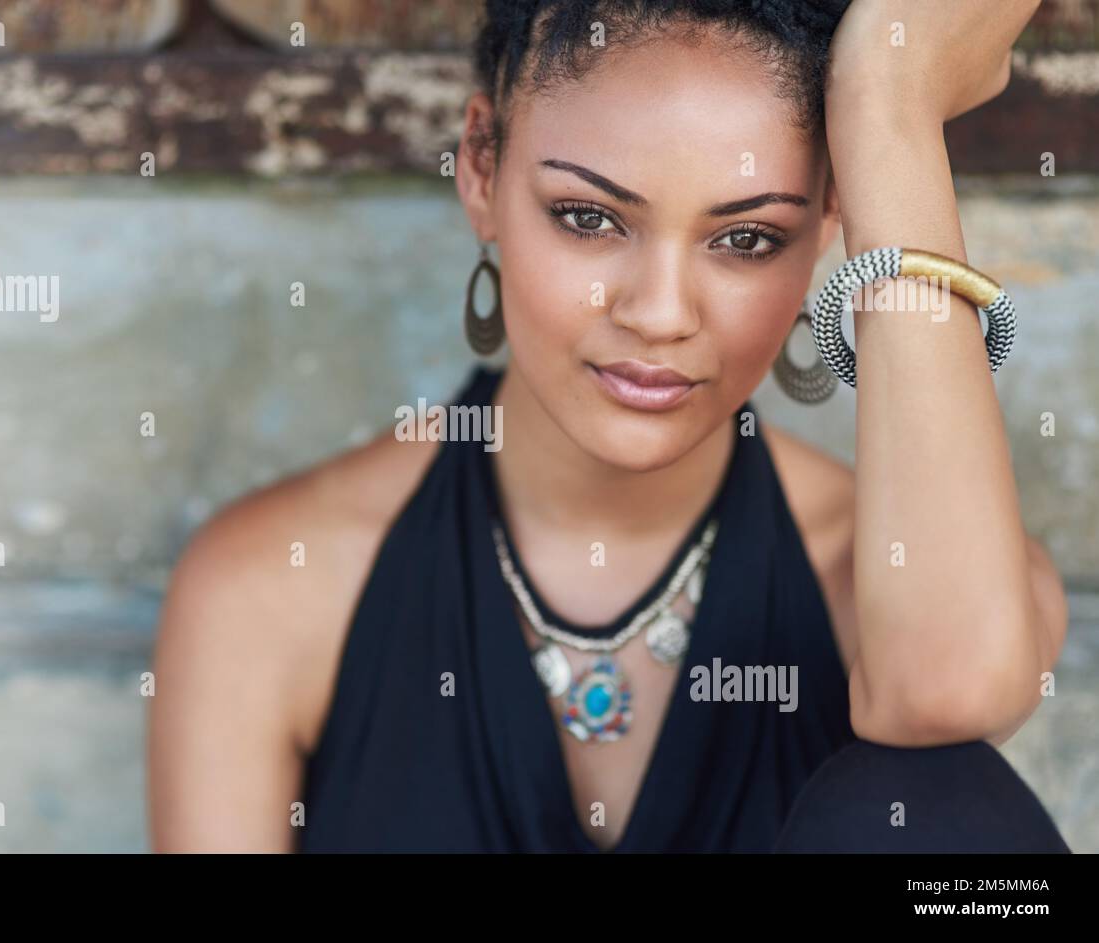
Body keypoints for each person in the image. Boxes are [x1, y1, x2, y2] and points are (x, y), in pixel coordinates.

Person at [148, 0, 1071, 853]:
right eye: (588, 217)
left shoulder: (888, 585)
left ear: (834, 216)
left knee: (941, 805)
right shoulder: (275, 587)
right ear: (479, 165)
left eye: (746, 238)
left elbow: (951, 687)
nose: (661, 314)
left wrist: (888, 104)